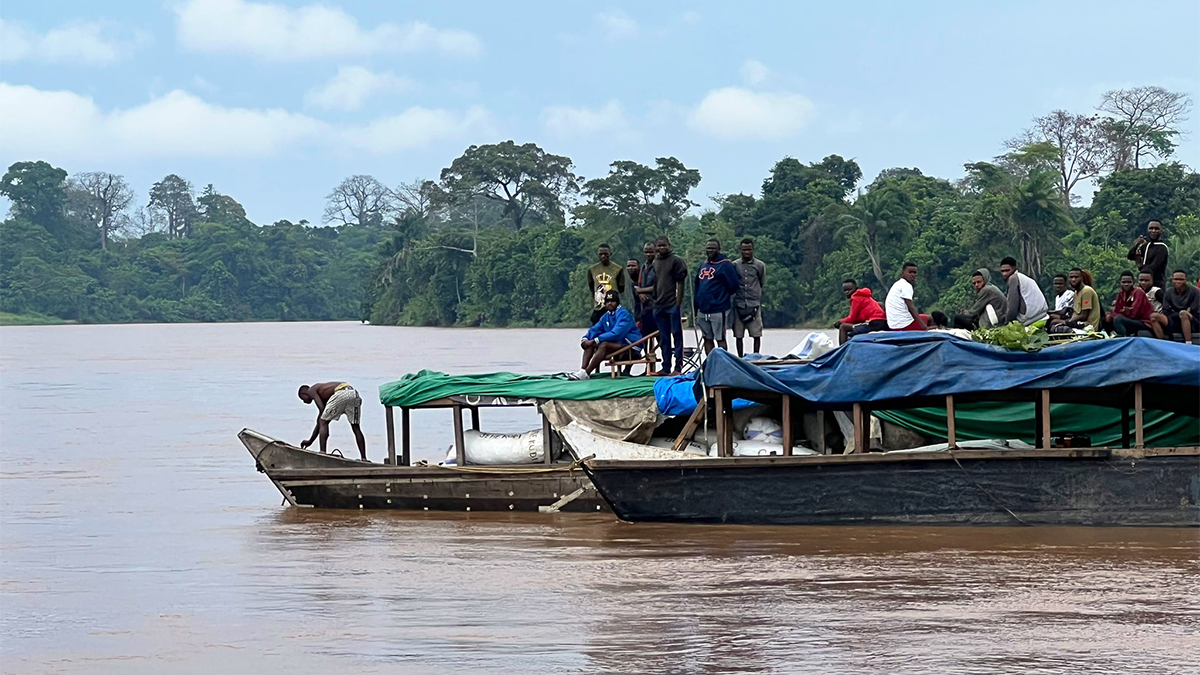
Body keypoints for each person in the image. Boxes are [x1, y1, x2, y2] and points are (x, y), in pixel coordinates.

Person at [573, 290, 643, 379]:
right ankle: (582, 371)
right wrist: (585, 339)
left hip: (631, 346)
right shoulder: (606, 316)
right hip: (618, 345)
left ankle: (587, 372)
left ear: (617, 302)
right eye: (608, 302)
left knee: (603, 345)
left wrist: (596, 340)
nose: (610, 304)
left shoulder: (624, 314)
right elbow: (595, 329)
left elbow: (617, 333)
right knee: (589, 344)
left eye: (612, 301)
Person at [298, 382, 367, 460]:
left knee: (323, 421)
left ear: (304, 393)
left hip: (341, 393)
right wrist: (310, 441)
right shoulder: (325, 395)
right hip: (353, 393)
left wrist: (321, 422)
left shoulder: (311, 390)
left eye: (302, 398)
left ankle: (322, 453)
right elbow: (321, 420)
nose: (304, 402)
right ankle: (364, 458)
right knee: (356, 427)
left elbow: (322, 412)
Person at [694, 239, 740, 354]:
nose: (710, 250)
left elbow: (733, 285)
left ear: (719, 249)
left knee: (720, 338)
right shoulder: (703, 265)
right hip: (703, 309)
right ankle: (710, 363)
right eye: (708, 248)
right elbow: (697, 285)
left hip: (718, 309)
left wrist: (720, 297)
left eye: (713, 248)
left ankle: (723, 363)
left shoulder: (726, 265)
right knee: (707, 338)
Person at [650, 236, 688, 374]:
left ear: (669, 245)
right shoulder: (655, 262)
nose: (662, 248)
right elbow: (655, 283)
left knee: (676, 335)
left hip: (672, 304)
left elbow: (681, 283)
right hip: (659, 304)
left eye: (664, 245)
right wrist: (654, 299)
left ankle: (678, 367)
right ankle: (666, 367)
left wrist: (678, 302)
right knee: (664, 337)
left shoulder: (676, 261)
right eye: (659, 246)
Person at [732, 238, 766, 357]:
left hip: (754, 305)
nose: (746, 252)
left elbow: (761, 282)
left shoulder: (760, 265)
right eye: (744, 250)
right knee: (738, 335)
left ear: (753, 250)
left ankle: (756, 357)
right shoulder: (735, 265)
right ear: (740, 250)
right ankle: (740, 358)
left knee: (756, 334)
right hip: (739, 304)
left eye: (749, 250)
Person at [999, 256, 1049, 325]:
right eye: (1002, 271)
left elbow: (1012, 306)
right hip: (1042, 315)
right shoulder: (1025, 278)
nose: (1004, 274)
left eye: (1007, 270)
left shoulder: (1013, 278)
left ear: (1014, 268)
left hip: (1030, 319)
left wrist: (1007, 323)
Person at [835, 278, 888, 344]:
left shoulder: (855, 298)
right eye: (845, 290)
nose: (847, 292)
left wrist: (840, 322)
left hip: (874, 323)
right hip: (883, 322)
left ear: (856, 288)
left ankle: (842, 351)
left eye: (849, 289)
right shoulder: (865, 296)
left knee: (843, 327)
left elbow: (852, 318)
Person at [587, 244, 626, 326]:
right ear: (597, 255)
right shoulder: (592, 270)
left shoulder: (617, 269)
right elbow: (591, 286)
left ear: (610, 254)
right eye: (601, 254)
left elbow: (621, 287)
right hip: (599, 306)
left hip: (613, 306)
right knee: (596, 327)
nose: (603, 256)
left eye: (606, 254)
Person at [1107, 270, 1154, 337]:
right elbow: (1116, 311)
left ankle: (1124, 338)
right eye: (1124, 282)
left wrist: (1123, 312)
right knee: (1106, 319)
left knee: (1118, 319)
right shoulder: (1121, 294)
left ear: (1133, 283)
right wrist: (1110, 316)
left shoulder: (1138, 292)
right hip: (1129, 320)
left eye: (1129, 282)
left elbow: (1134, 313)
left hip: (1143, 322)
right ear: (1120, 283)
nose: (1126, 284)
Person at [885, 263, 930, 331]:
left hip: (893, 325)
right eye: (910, 272)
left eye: (914, 273)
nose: (912, 275)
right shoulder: (906, 285)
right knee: (930, 318)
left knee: (922, 318)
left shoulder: (898, 284)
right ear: (903, 273)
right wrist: (925, 328)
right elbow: (911, 308)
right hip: (904, 325)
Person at [1161, 269, 1200, 343]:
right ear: (1172, 280)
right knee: (1154, 316)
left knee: (1183, 314)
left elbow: (1193, 309)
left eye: (1181, 279)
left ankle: (1188, 343)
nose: (1178, 282)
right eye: (1176, 279)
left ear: (1186, 280)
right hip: (1174, 319)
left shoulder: (1195, 291)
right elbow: (1166, 310)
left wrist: (1182, 313)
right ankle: (1161, 343)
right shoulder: (1168, 292)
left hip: (1193, 320)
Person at [1127, 220, 1169, 289]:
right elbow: (1130, 256)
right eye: (1151, 228)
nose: (1153, 231)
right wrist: (1137, 244)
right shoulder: (1146, 246)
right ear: (1147, 230)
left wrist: (1139, 265)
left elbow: (1152, 268)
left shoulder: (1162, 248)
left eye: (1156, 229)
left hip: (1157, 285)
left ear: (1161, 231)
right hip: (1143, 284)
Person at [633, 243, 657, 339]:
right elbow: (639, 285)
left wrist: (641, 290)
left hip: (656, 306)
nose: (648, 254)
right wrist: (640, 293)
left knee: (660, 336)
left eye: (651, 252)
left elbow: (659, 286)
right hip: (645, 308)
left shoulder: (658, 266)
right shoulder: (644, 266)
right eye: (646, 252)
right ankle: (648, 354)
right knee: (645, 337)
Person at [1139, 269, 1167, 339]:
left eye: (1146, 280)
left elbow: (1166, 304)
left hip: (1156, 318)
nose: (1143, 283)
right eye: (1141, 280)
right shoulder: (1138, 291)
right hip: (1144, 318)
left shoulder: (1156, 291)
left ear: (1152, 280)